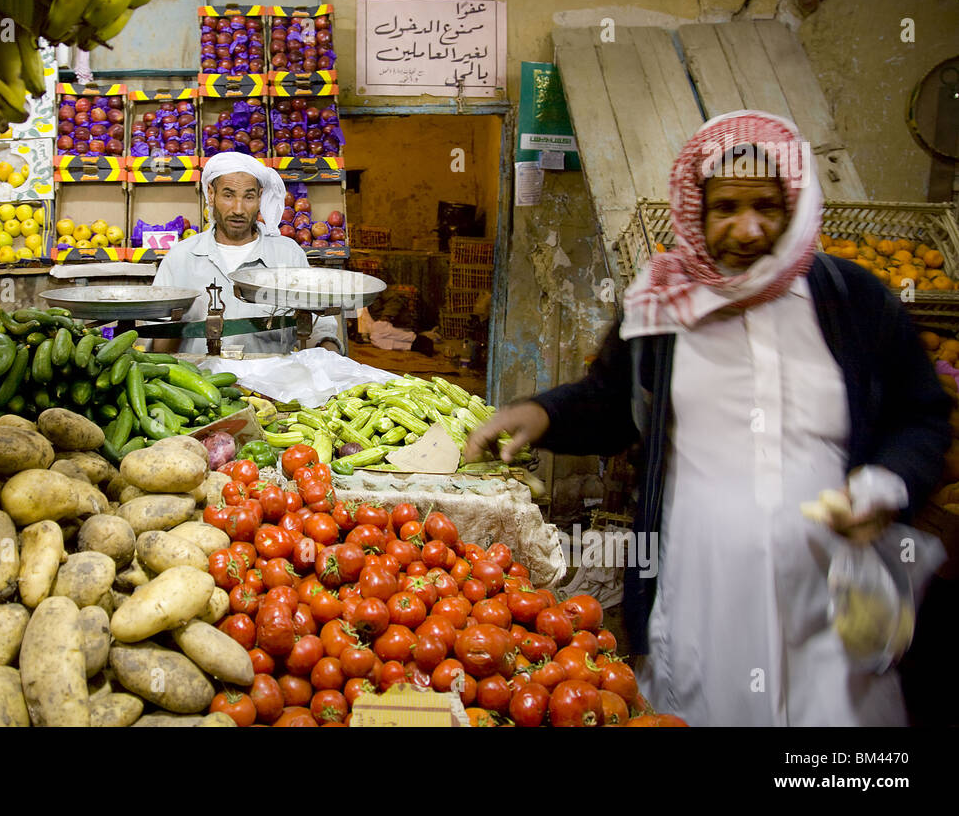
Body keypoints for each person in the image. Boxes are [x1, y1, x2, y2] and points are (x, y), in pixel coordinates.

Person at [463, 110, 950, 726]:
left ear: (795, 206)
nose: (747, 229)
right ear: (695, 210)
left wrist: (887, 482)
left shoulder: (853, 301)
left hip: (829, 595)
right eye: (725, 208)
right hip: (700, 589)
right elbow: (612, 402)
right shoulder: (664, 305)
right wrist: (541, 413)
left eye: (767, 206)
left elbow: (921, 416)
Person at [152, 152, 342, 356]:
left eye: (249, 197)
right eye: (228, 195)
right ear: (211, 194)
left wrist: (330, 357)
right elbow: (158, 347)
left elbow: (319, 328)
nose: (238, 209)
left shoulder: (288, 255)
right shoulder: (180, 258)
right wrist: (180, 316)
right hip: (199, 375)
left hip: (270, 375)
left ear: (260, 197)